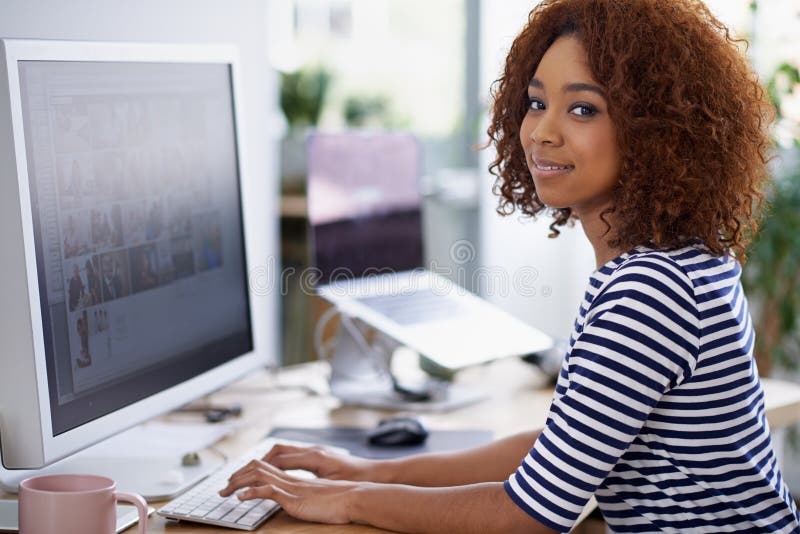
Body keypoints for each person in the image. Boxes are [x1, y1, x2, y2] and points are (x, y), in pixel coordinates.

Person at [220, 1, 800, 532]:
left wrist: (342, 500)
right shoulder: (681, 260)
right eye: (537, 102)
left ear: (658, 133)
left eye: (582, 108)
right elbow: (561, 448)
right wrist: (370, 471)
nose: (542, 131)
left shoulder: (650, 292)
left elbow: (526, 515)